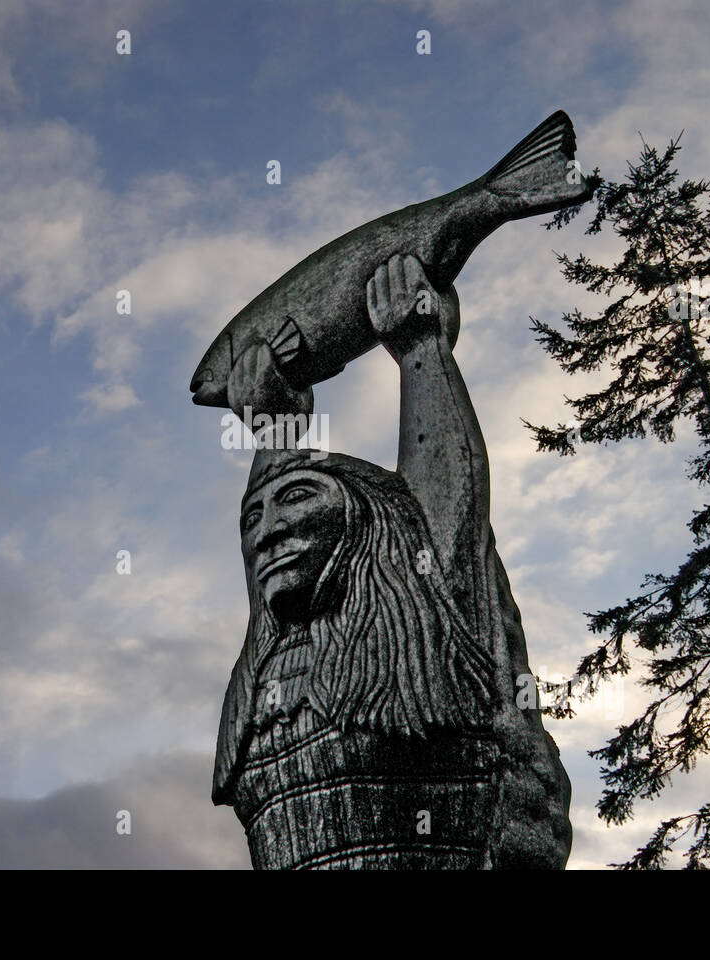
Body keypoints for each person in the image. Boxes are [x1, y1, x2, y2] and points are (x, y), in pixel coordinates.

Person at [213, 254, 571, 869]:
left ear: (371, 525)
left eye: (298, 498)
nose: (266, 531)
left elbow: (446, 499)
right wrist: (274, 430)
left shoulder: (425, 610)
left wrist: (419, 349)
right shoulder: (269, 660)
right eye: (253, 518)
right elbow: (267, 566)